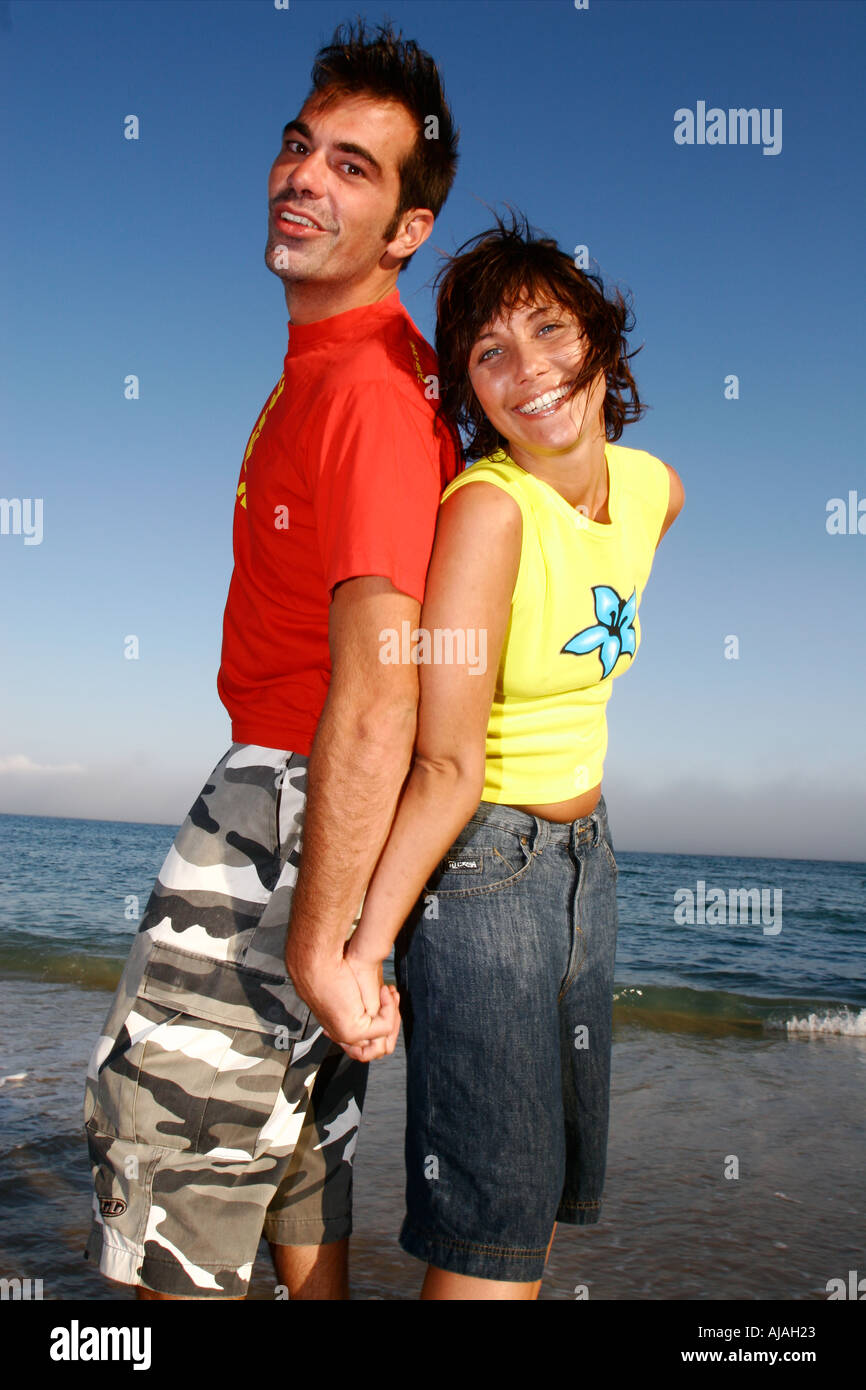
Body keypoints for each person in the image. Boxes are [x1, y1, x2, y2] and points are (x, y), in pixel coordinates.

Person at [82, 19, 460, 1300]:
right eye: (301, 146)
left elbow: (381, 676)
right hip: (315, 813)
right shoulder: (338, 372)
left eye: (355, 167)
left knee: (165, 1199)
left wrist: (316, 940)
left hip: (287, 807)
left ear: (409, 228)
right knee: (296, 1171)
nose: (305, 176)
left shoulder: (364, 393)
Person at [344, 215, 685, 1300]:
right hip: (483, 872)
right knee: (489, 1227)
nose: (526, 368)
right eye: (489, 351)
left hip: (590, 860)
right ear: (468, 389)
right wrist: (364, 945)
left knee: (534, 1203)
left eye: (548, 328)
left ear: (600, 338)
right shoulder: (489, 513)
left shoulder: (651, 488)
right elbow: (442, 765)